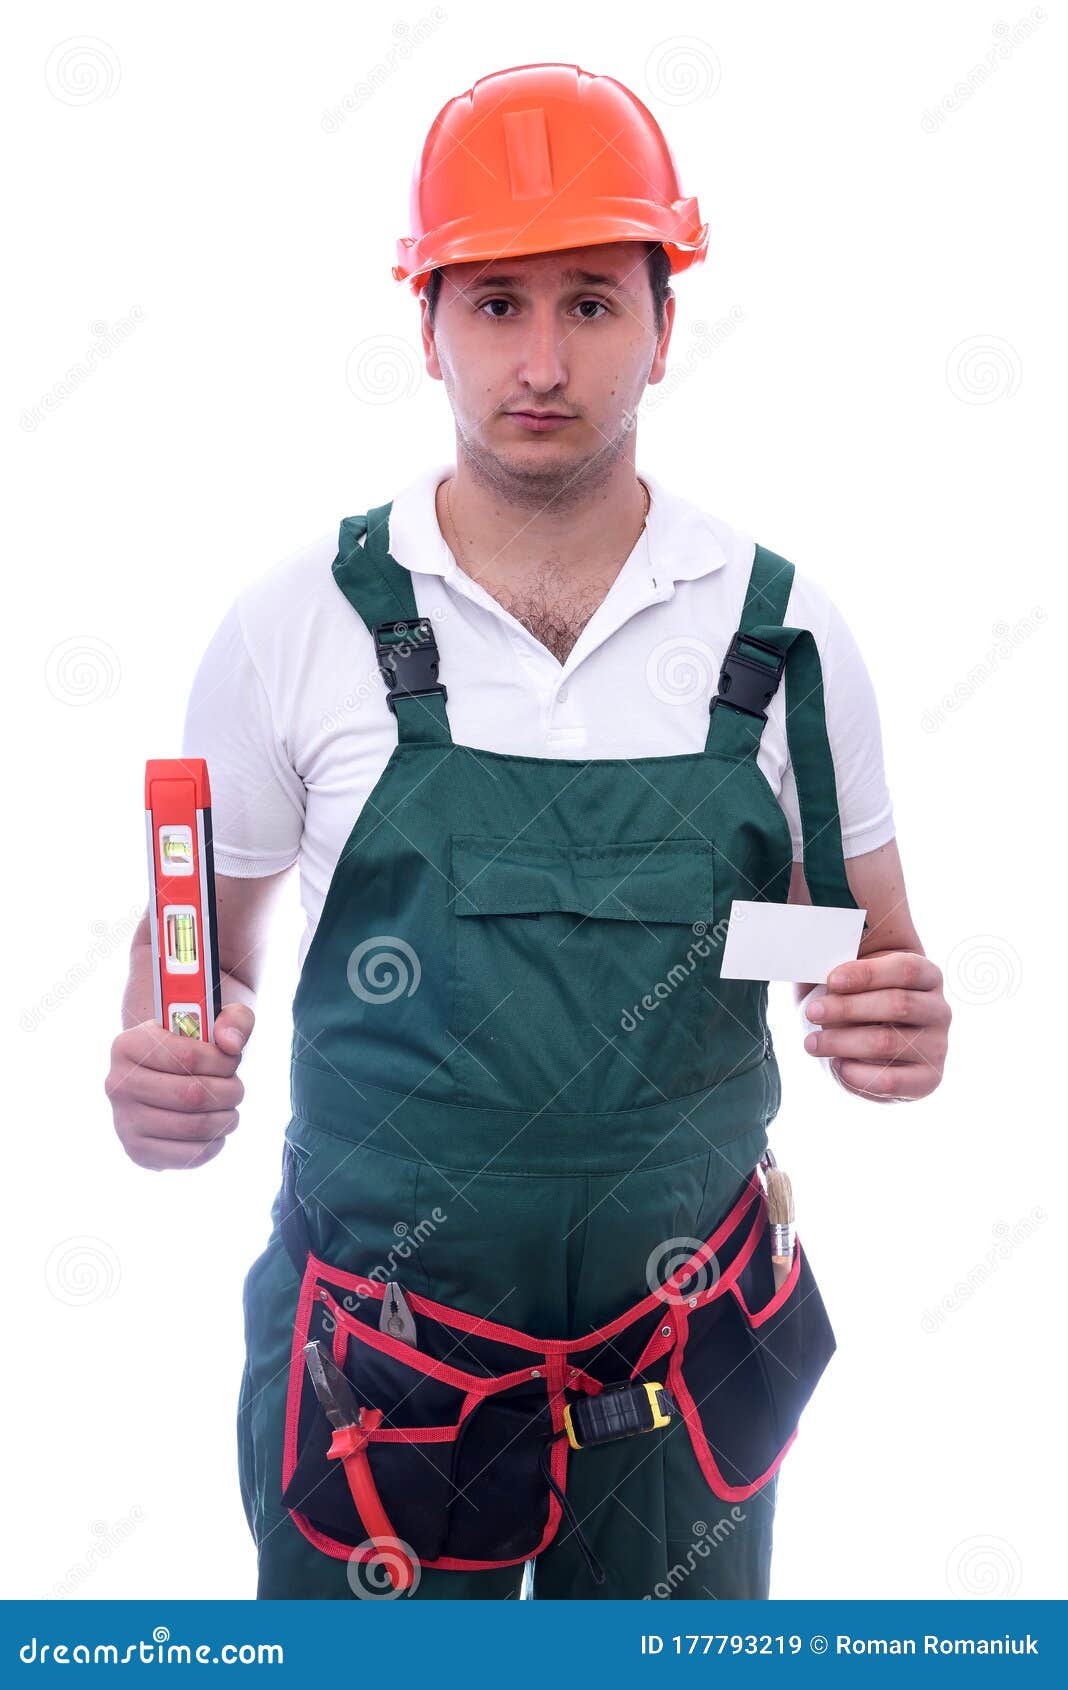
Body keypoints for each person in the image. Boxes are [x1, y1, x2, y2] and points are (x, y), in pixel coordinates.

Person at [105, 63, 951, 1600]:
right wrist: (165, 1068)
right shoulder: (296, 628)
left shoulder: (784, 639)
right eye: (496, 303)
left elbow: (849, 952)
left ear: (666, 323)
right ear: (426, 322)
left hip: (677, 1395)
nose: (542, 358)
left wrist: (891, 1017)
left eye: (591, 301)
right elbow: (199, 970)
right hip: (376, 1393)